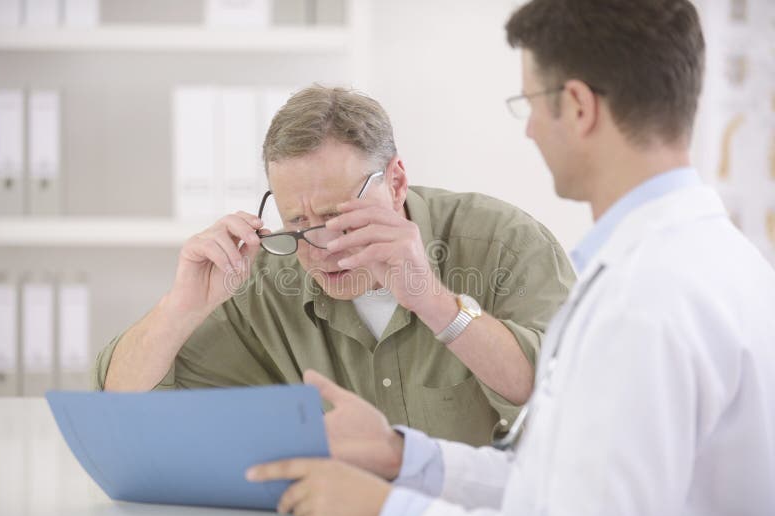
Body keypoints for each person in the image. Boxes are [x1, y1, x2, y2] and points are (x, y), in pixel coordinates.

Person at [246, 1, 775, 516]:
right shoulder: (724, 261)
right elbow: (557, 486)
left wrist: (388, 514)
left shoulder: (642, 299)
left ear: (576, 107)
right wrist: (401, 456)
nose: (531, 133)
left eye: (531, 104)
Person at [93, 85, 575, 446]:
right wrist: (180, 307)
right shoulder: (264, 278)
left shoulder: (504, 245)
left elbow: (569, 399)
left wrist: (433, 301)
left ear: (397, 182)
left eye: (337, 216)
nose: (321, 245)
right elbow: (120, 404)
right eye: (297, 219)